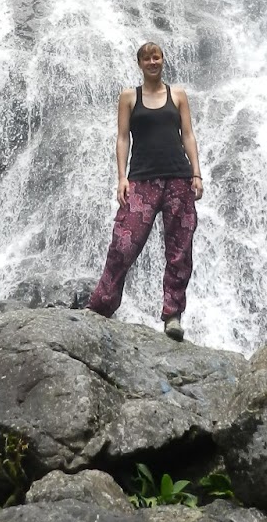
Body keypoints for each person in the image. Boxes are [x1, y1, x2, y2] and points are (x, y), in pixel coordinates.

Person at [87, 41, 203, 340]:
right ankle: (101, 306)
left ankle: (173, 316)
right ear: (139, 64)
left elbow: (188, 134)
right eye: (147, 58)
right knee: (124, 243)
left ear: (163, 60)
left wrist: (197, 173)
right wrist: (121, 177)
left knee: (180, 248)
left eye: (157, 57)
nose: (153, 62)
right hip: (141, 179)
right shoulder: (129, 96)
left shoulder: (177, 95)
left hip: (178, 178)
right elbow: (122, 138)